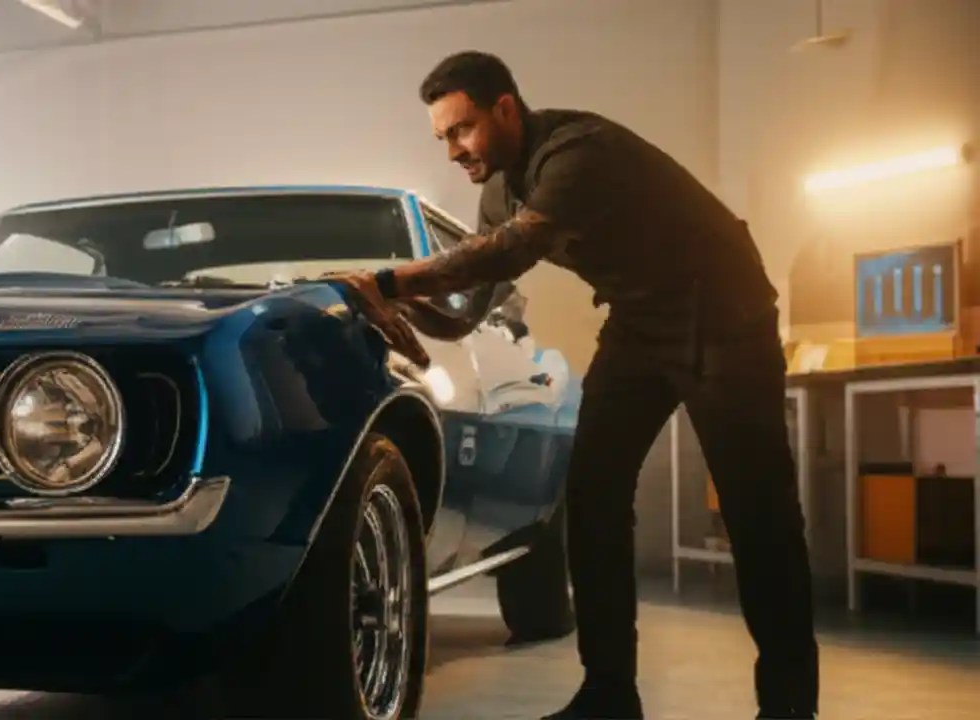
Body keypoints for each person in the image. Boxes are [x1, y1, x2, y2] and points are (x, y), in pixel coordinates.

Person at [331, 51, 819, 720]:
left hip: (724, 315)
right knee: (591, 497)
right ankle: (609, 693)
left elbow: (508, 251)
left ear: (505, 107)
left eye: (462, 128)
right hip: (639, 322)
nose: (453, 150)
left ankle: (790, 707)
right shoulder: (498, 189)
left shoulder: (578, 152)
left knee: (756, 511)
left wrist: (387, 280)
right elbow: (469, 307)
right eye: (442, 137)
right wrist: (387, 308)